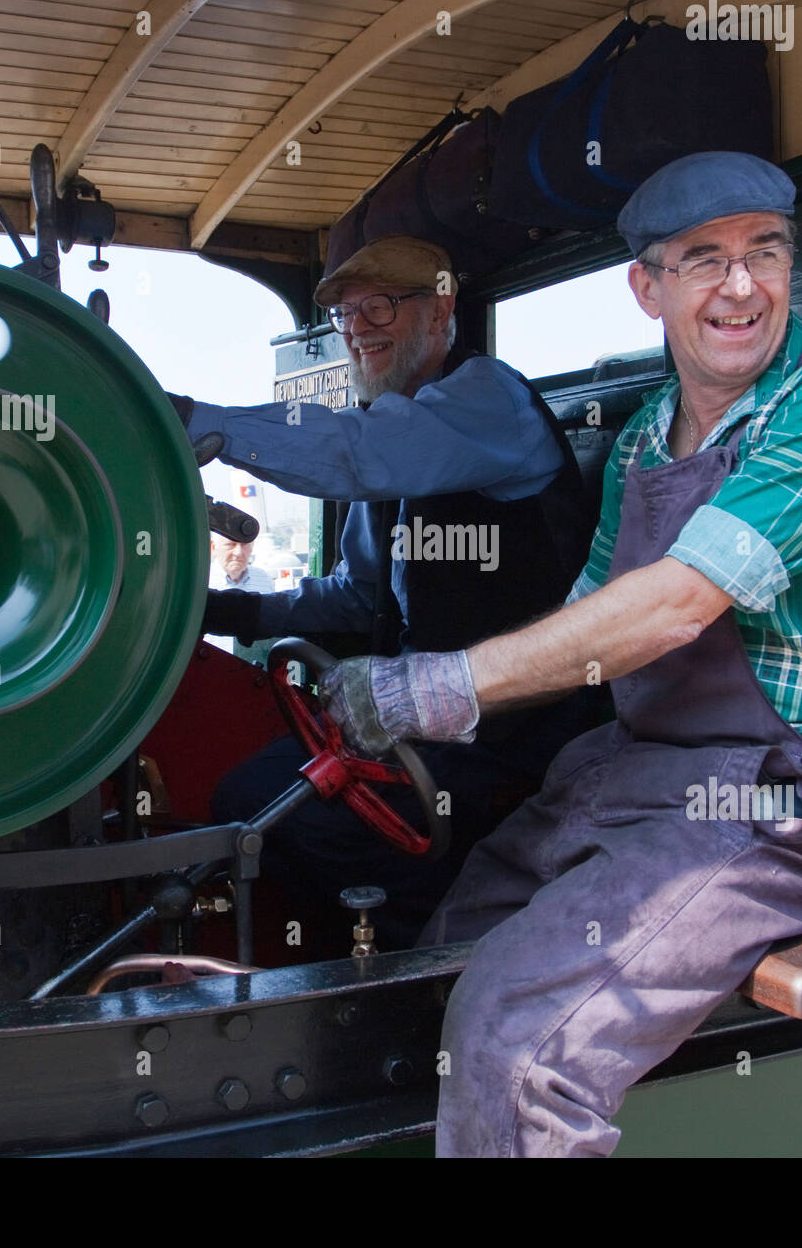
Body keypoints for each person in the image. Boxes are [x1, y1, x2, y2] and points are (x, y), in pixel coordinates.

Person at [319, 152, 802, 1156]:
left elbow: (677, 602)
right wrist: (452, 708)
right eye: (702, 260)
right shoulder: (648, 434)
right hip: (640, 768)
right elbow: (594, 612)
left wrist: (441, 683)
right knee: (444, 945)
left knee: (518, 1039)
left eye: (762, 252)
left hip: (786, 795)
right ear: (646, 287)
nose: (739, 286)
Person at [166, 236, 596, 949]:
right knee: (243, 793)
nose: (357, 327)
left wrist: (189, 420)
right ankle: (338, 956)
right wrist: (223, 609)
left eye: (380, 306)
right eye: (343, 314)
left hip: (515, 724)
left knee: (279, 814)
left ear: (442, 308)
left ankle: (418, 965)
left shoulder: (488, 398)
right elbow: (358, 599)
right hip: (420, 715)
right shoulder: (396, 441)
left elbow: (354, 451)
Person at [206, 534, 276, 664]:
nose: (238, 552)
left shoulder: (264, 579)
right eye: (230, 545)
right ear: (213, 547)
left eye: (245, 545)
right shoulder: (202, 580)